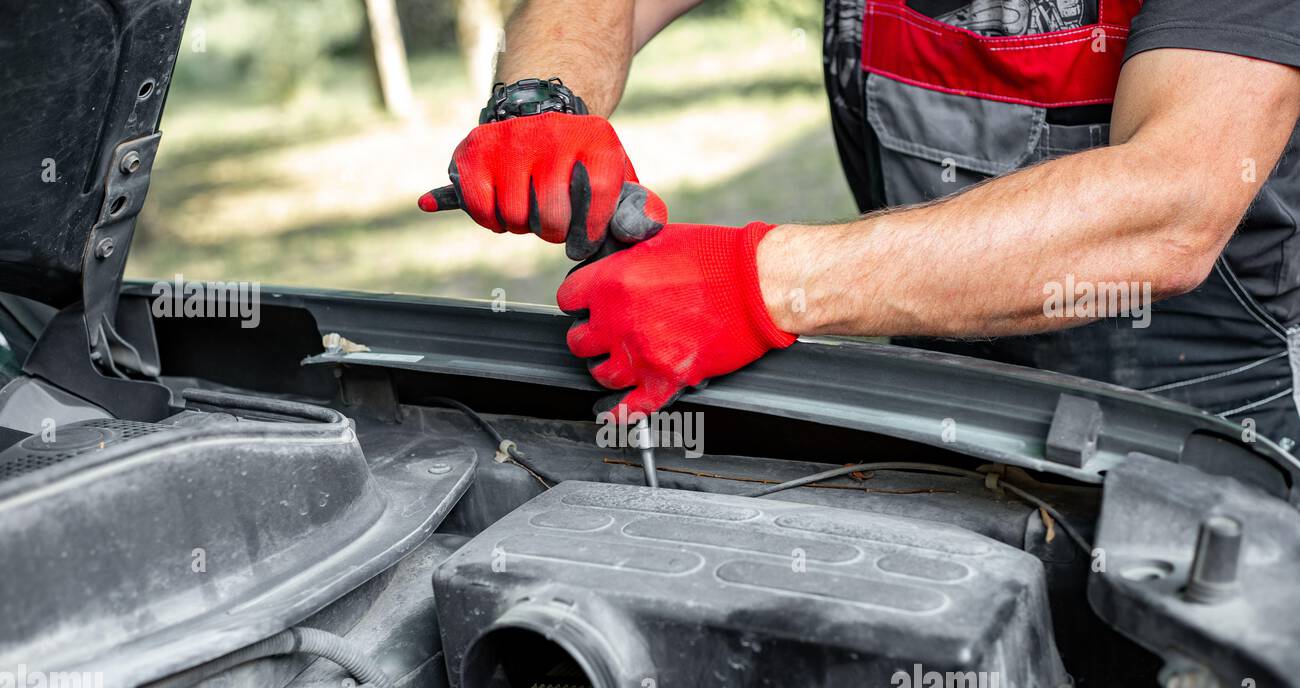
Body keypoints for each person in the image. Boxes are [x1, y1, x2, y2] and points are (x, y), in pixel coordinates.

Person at [424, 0, 1300, 445]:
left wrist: (756, 283)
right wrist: (541, 97)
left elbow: (1176, 201)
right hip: (945, 402)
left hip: (1215, 430)